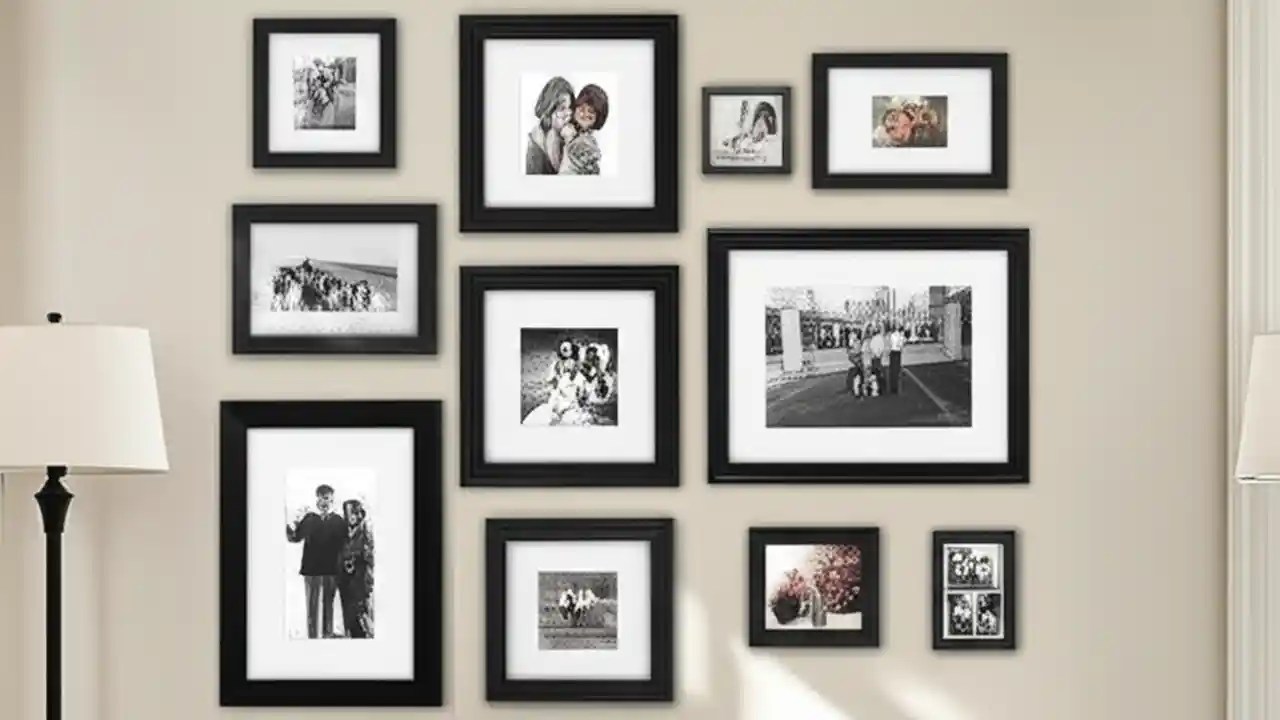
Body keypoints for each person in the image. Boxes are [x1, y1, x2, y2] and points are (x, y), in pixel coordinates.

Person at [286, 484, 348, 639]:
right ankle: (312, 638)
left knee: (328, 606)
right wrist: (289, 523)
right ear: (316, 500)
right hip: (311, 571)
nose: (323, 502)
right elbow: (294, 537)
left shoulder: (339, 521)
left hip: (332, 572)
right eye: (320, 498)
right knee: (312, 607)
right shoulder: (309, 519)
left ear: (332, 500)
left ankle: (327, 636)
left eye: (326, 498)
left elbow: (346, 545)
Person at [337, 499, 375, 639]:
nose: (352, 516)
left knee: (362, 615)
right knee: (348, 615)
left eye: (354, 512)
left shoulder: (366, 529)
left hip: (360, 580)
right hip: (345, 581)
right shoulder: (343, 530)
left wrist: (356, 558)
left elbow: (370, 555)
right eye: (348, 513)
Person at [526, 76, 575, 175]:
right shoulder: (536, 148)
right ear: (549, 111)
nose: (568, 114)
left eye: (569, 108)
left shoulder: (567, 134)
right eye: (562, 109)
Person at [558, 84, 609, 175]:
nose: (584, 114)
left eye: (591, 112)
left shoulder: (587, 144)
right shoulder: (566, 127)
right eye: (581, 109)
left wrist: (569, 141)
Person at [868, 325, 886, 396]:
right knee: (877, 372)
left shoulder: (873, 339)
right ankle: (877, 388)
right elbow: (882, 348)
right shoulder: (880, 338)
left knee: (874, 372)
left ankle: (874, 388)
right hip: (878, 357)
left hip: (874, 357)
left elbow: (871, 348)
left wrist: (875, 353)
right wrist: (879, 353)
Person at [888, 323, 905, 394]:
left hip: (892, 352)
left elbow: (891, 344)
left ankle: (893, 387)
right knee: (897, 369)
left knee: (892, 370)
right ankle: (897, 387)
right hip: (898, 352)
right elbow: (901, 345)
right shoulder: (901, 336)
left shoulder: (892, 335)